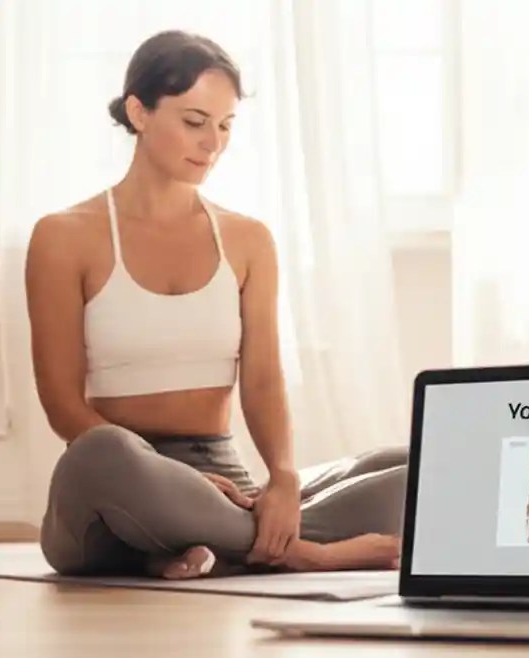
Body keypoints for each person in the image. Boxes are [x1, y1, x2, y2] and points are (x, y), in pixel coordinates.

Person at [24, 30, 407, 580]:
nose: (213, 143)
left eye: (226, 126)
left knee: (410, 467)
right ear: (139, 112)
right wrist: (166, 474)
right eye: (194, 121)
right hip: (118, 483)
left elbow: (262, 381)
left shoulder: (248, 239)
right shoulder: (63, 236)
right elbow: (62, 403)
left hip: (226, 481)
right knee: (103, 453)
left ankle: (200, 547)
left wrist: (281, 479)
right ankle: (302, 552)